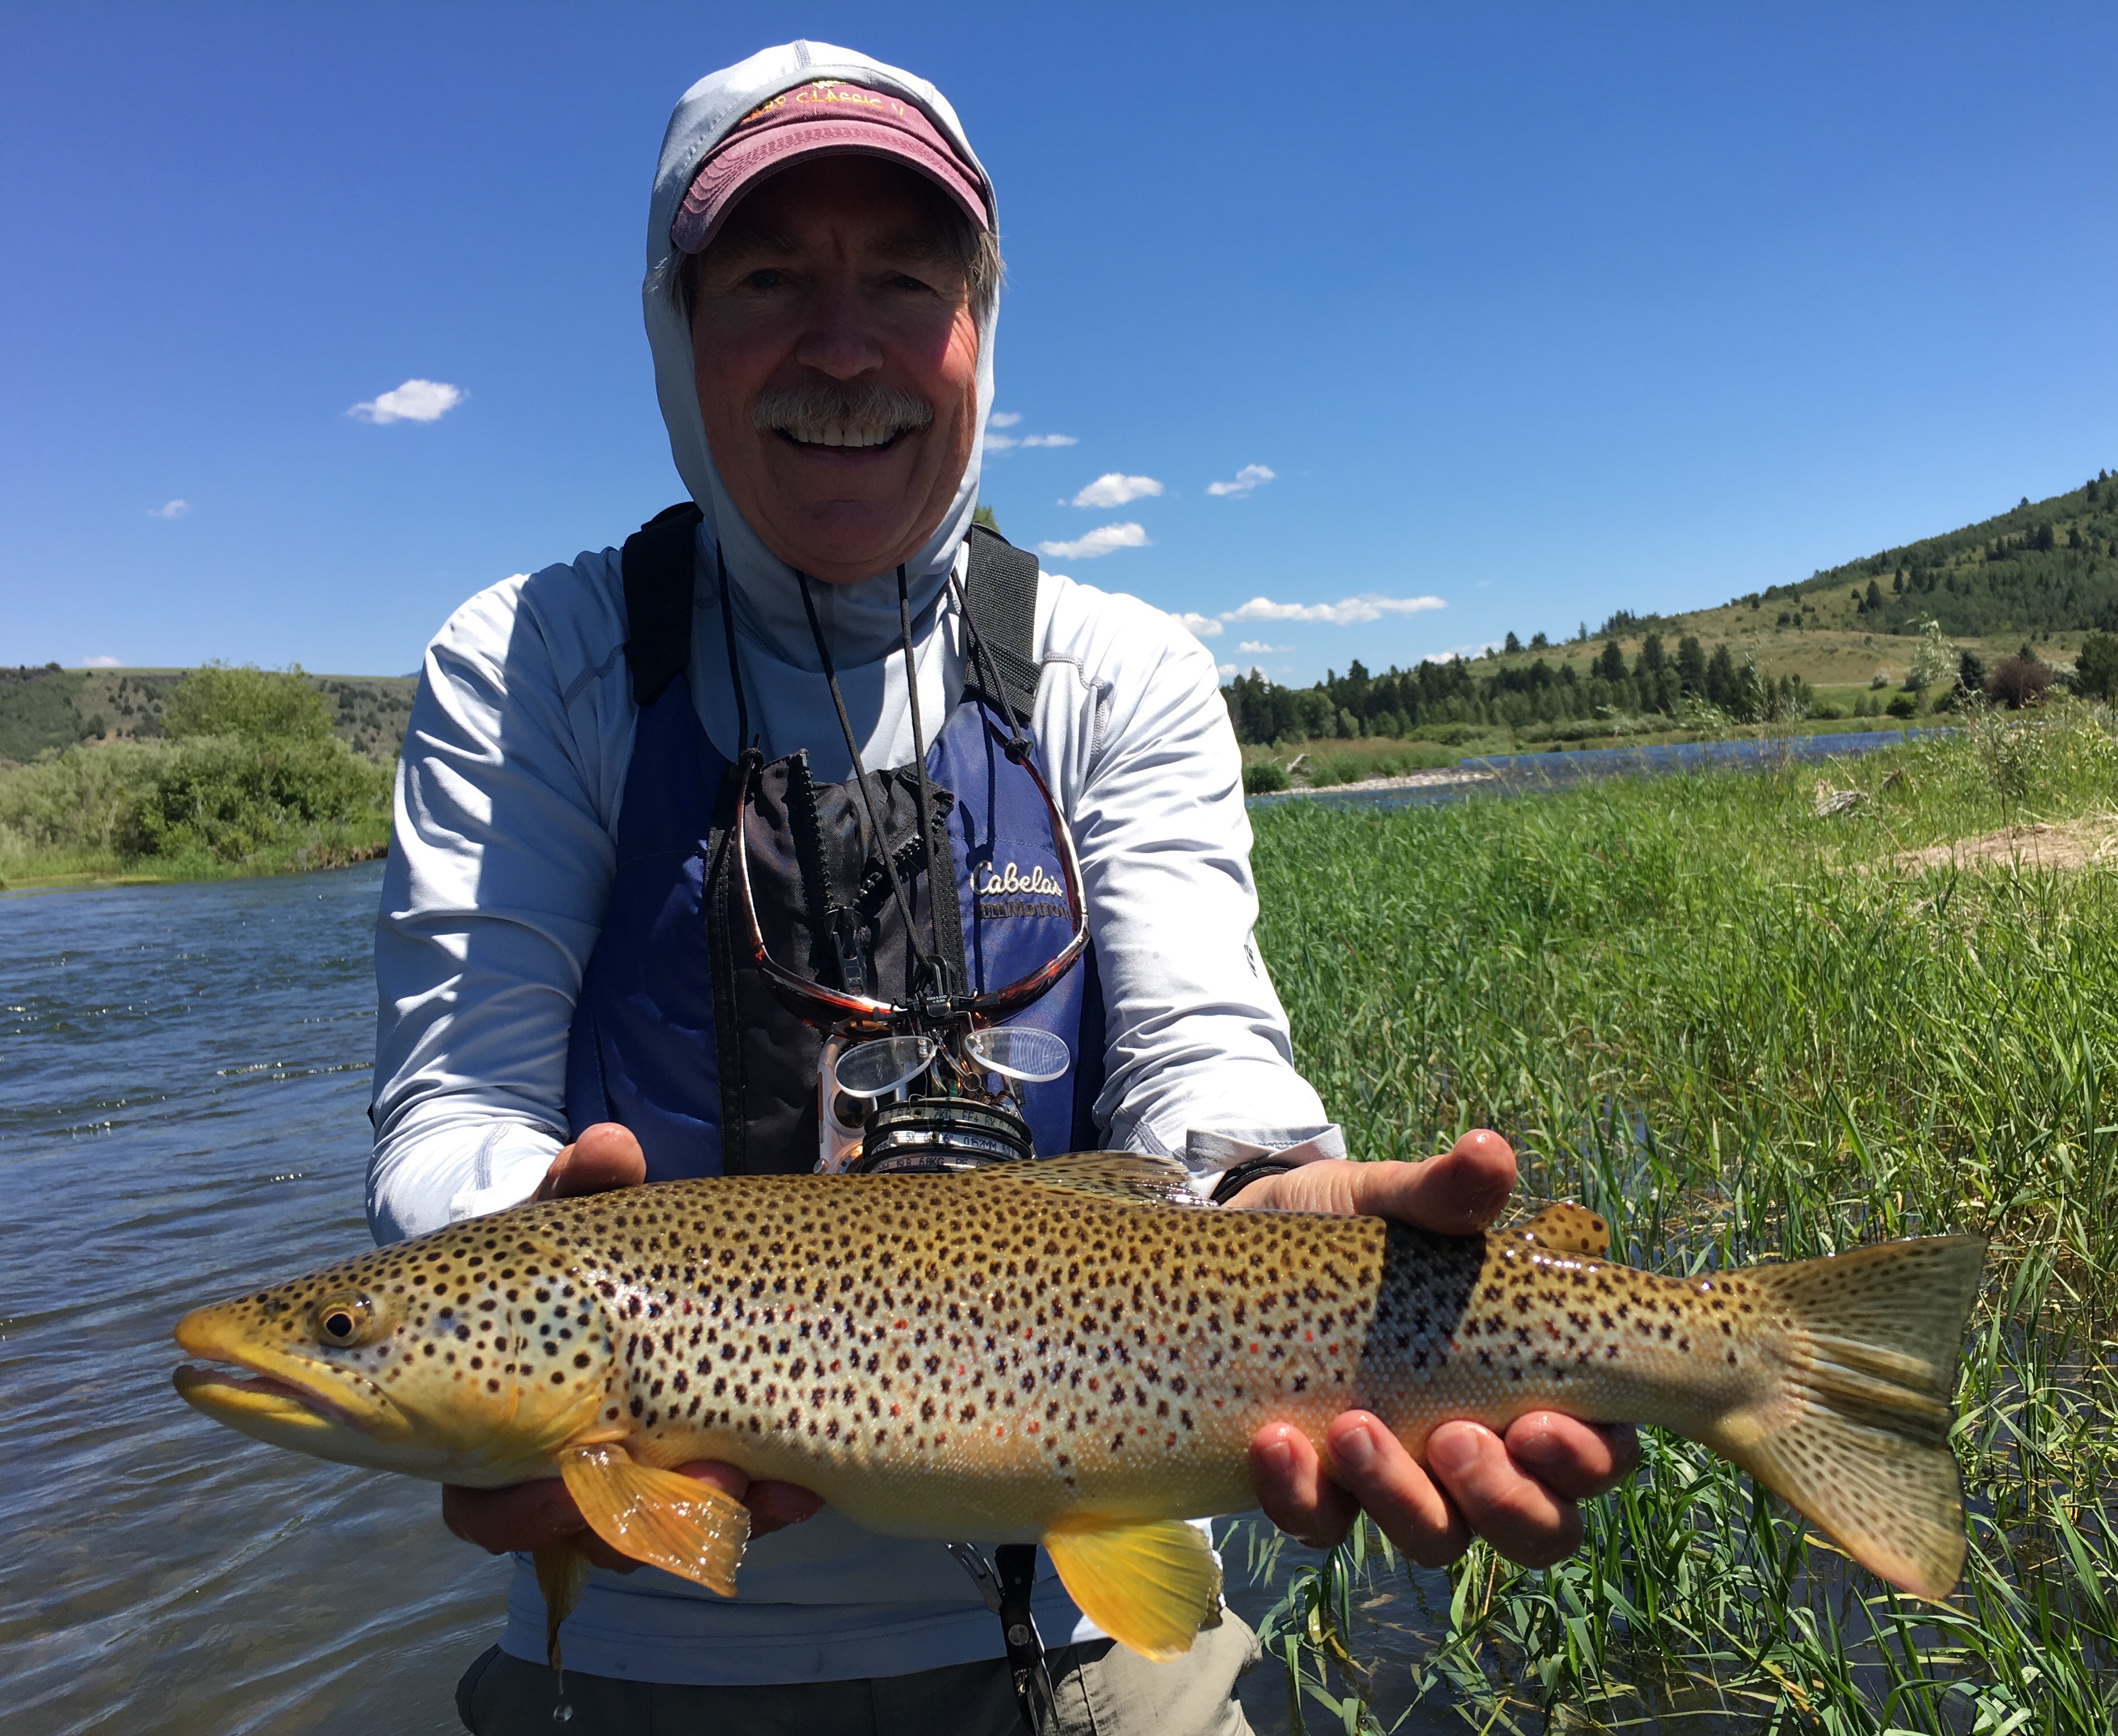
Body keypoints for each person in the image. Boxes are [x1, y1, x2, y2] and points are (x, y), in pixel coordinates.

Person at [367, 39, 1637, 1736]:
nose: (843, 346)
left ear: (981, 321)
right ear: (674, 327)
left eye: (904, 277)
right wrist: (509, 1268)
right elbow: (453, 1103)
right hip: (647, 1653)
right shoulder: (539, 662)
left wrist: (1275, 1187)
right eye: (766, 277)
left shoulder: (1120, 670)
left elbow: (1204, 1064)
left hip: (1099, 1629)